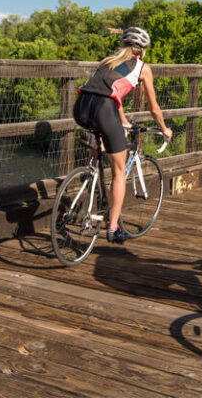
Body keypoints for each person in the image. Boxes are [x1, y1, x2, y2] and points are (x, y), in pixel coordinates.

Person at [73, 26, 173, 244]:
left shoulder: (107, 61)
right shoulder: (143, 68)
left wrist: (124, 122)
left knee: (106, 140)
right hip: (103, 110)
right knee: (119, 172)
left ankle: (91, 167)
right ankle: (113, 228)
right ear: (143, 50)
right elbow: (154, 109)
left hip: (80, 108)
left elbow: (110, 94)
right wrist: (164, 129)